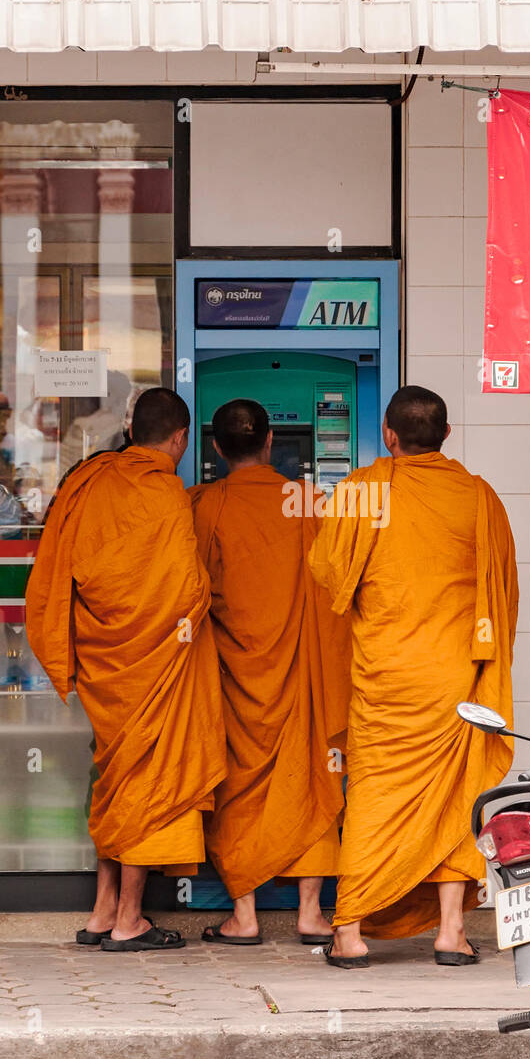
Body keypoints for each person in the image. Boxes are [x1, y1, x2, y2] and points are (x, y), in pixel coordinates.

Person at [308, 385, 518, 968]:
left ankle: (349, 931)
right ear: (447, 435)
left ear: (389, 436)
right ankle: (450, 932)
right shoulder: (478, 499)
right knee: (457, 793)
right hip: (454, 679)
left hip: (386, 677)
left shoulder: (362, 491)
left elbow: (326, 570)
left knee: (373, 795)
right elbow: (502, 593)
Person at [25, 387, 226, 951]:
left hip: (104, 662)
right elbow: (186, 589)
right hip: (154, 663)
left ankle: (101, 910)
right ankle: (129, 919)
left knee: (115, 779)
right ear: (181, 439)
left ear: (132, 429)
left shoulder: (89, 481)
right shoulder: (164, 491)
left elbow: (56, 569)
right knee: (147, 780)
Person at [188, 399, 350, 946]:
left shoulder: (204, 505)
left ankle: (245, 914)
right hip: (302, 671)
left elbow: (190, 590)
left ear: (214, 448)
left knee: (237, 783)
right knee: (308, 777)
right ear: (271, 441)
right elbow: (336, 586)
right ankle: (310, 913)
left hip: (232, 671)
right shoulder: (306, 500)